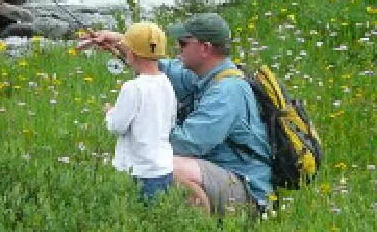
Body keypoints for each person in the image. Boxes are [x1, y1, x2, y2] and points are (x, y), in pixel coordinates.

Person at [79, 13, 273, 215]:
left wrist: (139, 124)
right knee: (147, 162)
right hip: (219, 173)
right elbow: (155, 66)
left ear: (205, 48)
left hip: (247, 189)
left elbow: (188, 143)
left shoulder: (227, 92)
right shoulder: (204, 76)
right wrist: (124, 43)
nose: (178, 48)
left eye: (183, 43)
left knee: (161, 165)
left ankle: (187, 228)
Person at [103, 22, 177, 201]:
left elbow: (117, 127)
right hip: (163, 169)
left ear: (130, 54)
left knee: (133, 214)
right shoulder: (167, 83)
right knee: (157, 216)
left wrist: (109, 113)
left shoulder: (132, 87)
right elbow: (172, 120)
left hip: (137, 171)